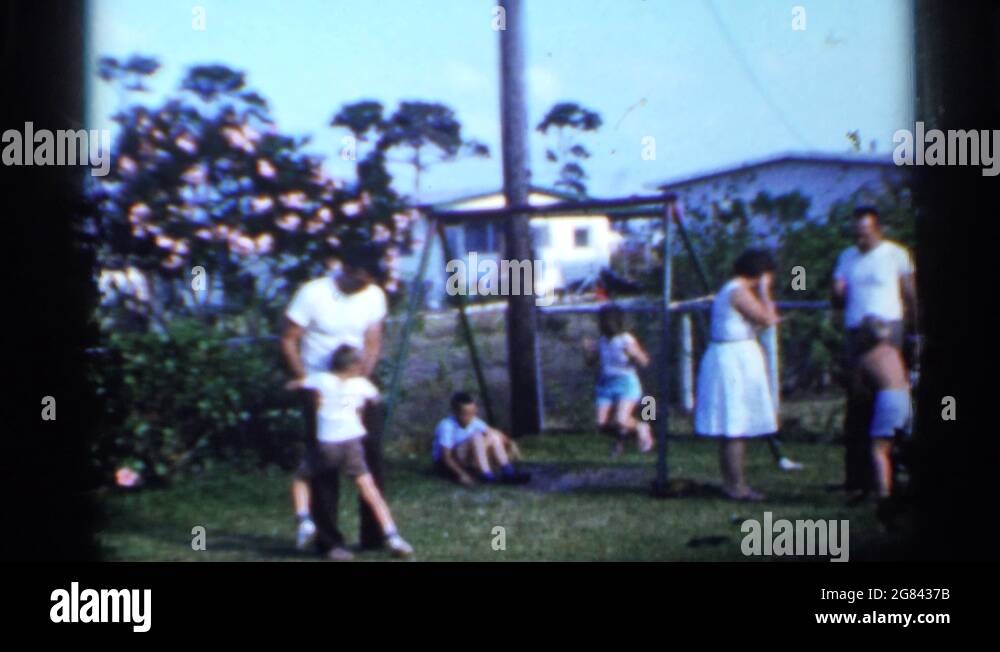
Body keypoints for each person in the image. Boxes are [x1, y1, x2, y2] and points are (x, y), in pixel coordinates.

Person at [280, 239, 388, 551]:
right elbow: (288, 339)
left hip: (357, 386)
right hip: (320, 387)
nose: (363, 286)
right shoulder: (313, 293)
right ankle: (328, 542)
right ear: (345, 268)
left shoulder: (374, 296)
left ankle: (375, 536)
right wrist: (306, 381)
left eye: (370, 281)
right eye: (359, 279)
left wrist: (359, 384)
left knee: (371, 458)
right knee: (325, 462)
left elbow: (372, 341)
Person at [286, 345, 413, 560]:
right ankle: (392, 535)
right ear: (354, 366)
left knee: (301, 479)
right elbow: (374, 399)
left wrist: (297, 385)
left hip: (326, 444)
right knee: (369, 489)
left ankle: (304, 521)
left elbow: (296, 384)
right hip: (352, 444)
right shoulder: (362, 384)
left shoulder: (321, 379)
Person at [832, 206, 917, 501]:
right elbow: (837, 294)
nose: (860, 239)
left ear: (877, 229)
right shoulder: (847, 257)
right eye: (856, 234)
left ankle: (894, 476)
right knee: (857, 406)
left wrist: (916, 329)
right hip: (857, 330)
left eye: (865, 233)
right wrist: (838, 291)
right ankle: (858, 478)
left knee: (890, 397)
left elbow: (910, 293)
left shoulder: (896, 254)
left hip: (888, 329)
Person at [694, 249, 780, 501]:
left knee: (733, 425)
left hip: (734, 356)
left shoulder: (732, 289)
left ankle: (733, 483)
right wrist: (765, 291)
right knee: (734, 424)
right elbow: (768, 318)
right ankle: (737, 486)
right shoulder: (739, 291)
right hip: (733, 360)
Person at [852, 315, 912, 514]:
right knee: (903, 445)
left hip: (888, 400)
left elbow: (859, 391)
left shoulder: (865, 359)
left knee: (879, 448)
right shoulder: (894, 352)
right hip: (906, 396)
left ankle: (883, 494)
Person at [583, 304, 654, 456]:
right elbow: (590, 363)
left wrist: (634, 354)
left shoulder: (625, 340)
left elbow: (645, 361)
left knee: (621, 419)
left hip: (626, 383)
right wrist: (588, 352)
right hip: (606, 383)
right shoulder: (602, 341)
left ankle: (641, 428)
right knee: (601, 424)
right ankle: (620, 441)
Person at [432, 392, 531, 486]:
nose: (471, 417)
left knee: (493, 436)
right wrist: (462, 475)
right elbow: (446, 458)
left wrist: (510, 443)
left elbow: (495, 433)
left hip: (464, 459)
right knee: (477, 437)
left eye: (473, 413)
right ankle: (486, 475)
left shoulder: (474, 421)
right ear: (456, 412)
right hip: (446, 466)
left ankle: (508, 472)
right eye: (466, 414)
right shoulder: (447, 426)